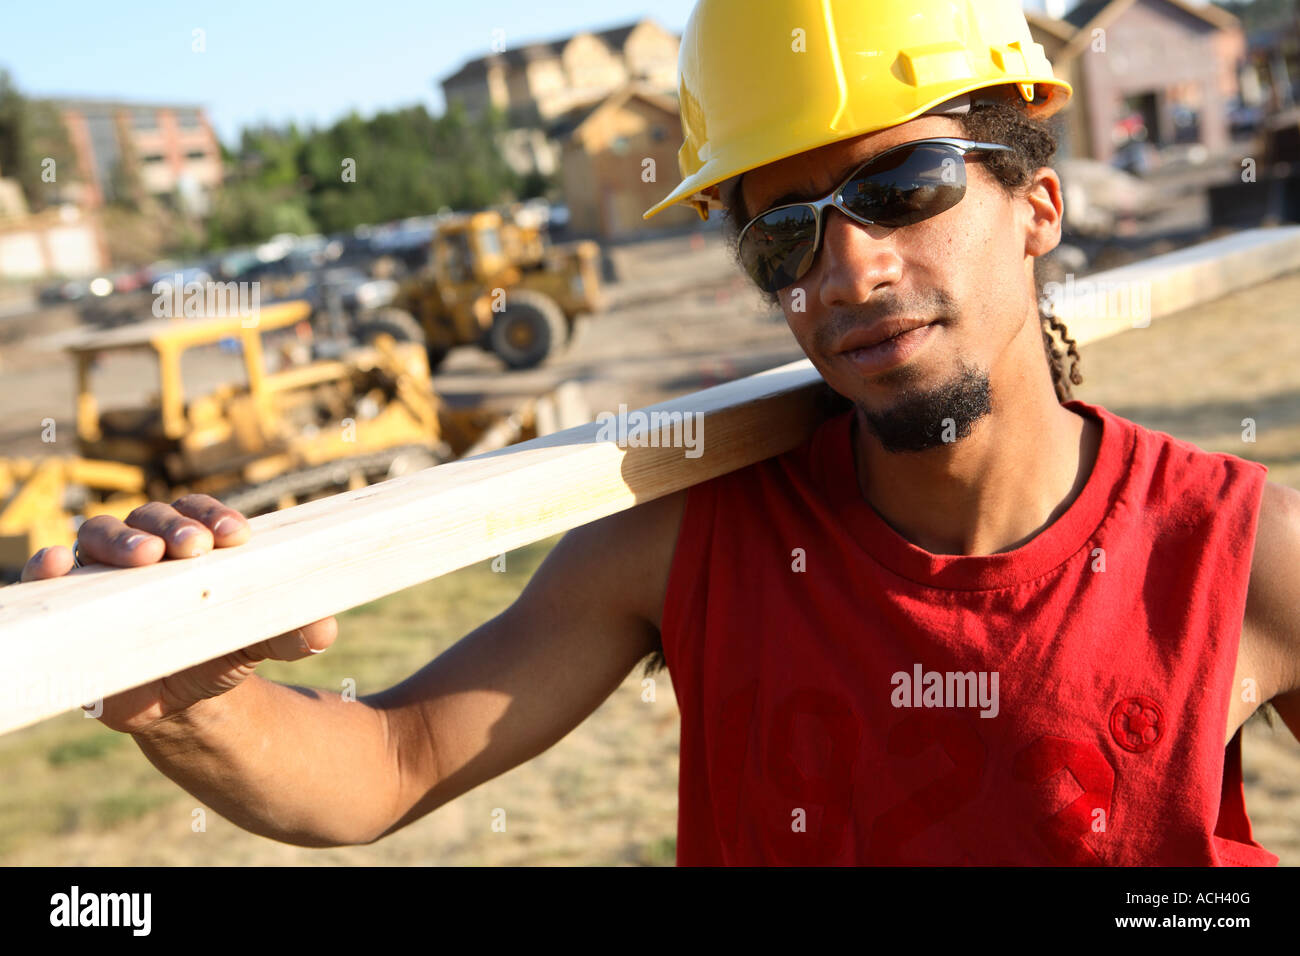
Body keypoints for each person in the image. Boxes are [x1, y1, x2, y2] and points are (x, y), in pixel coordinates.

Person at [22, 0, 1300, 864]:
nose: (846, 268)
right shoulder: (689, 536)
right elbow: (390, 758)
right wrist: (185, 696)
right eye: (781, 228)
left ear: (1036, 205)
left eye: (901, 188)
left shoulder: (1244, 552)